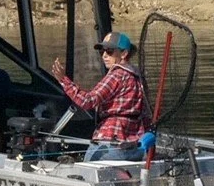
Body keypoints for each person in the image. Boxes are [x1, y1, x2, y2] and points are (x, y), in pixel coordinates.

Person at [50, 32, 149, 161]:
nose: (104, 55)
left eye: (109, 51)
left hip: (110, 144)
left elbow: (87, 101)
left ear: (124, 53)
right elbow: (146, 114)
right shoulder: (138, 77)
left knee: (84, 176)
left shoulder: (116, 75)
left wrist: (63, 80)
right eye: (102, 51)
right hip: (135, 145)